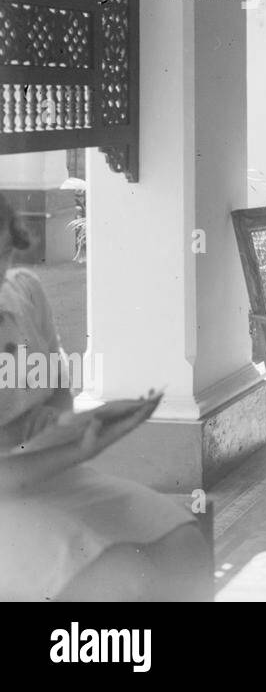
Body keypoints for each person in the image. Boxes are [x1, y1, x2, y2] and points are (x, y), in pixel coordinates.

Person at [0, 192, 210, 601]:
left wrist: (70, 425)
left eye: (5, 254)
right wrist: (82, 447)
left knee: (183, 544)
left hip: (48, 471)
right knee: (120, 578)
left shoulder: (23, 293)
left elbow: (57, 392)